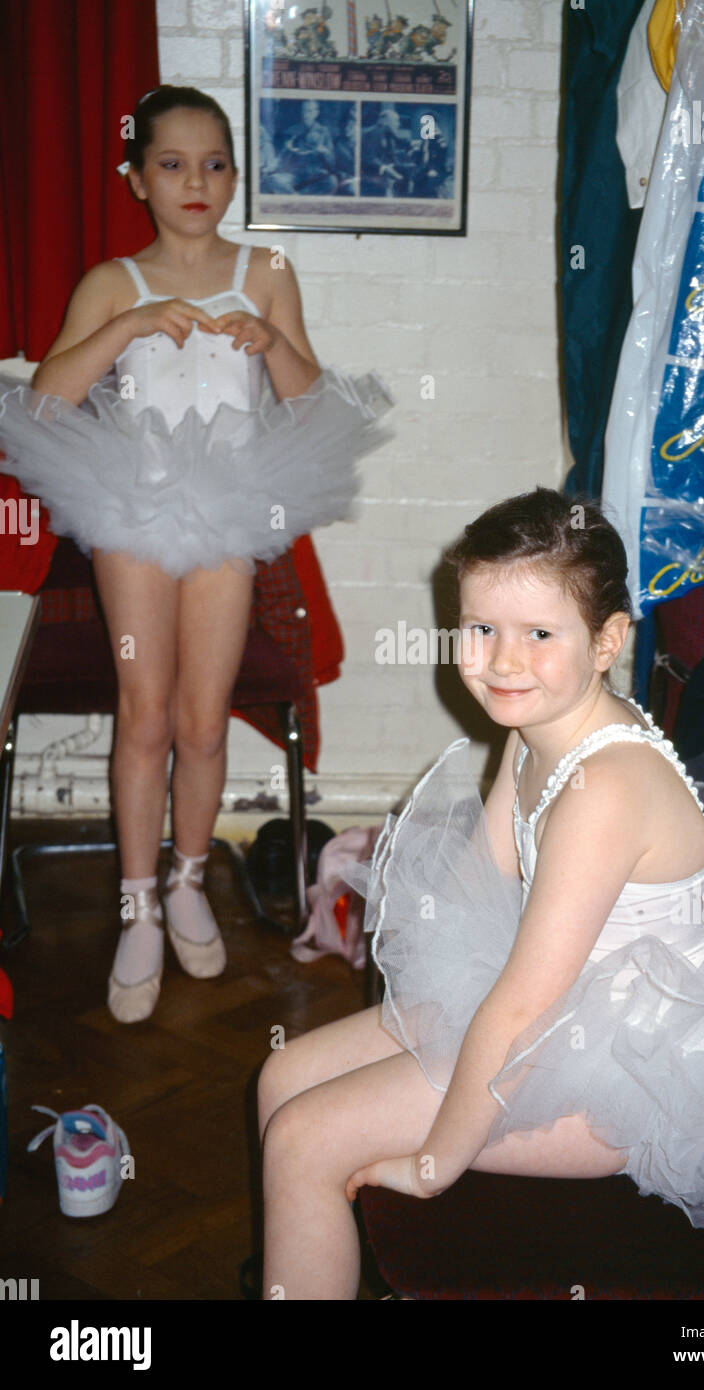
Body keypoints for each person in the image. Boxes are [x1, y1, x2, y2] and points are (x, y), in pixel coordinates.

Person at [257, 487, 704, 1300]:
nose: (503, 660)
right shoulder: (535, 728)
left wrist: (431, 1162)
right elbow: (478, 880)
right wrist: (422, 1011)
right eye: (481, 629)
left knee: (305, 1139)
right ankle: (301, 1256)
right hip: (551, 999)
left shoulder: (604, 787)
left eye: (539, 634)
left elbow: (520, 1014)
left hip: (625, 1073)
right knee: (280, 1080)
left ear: (607, 641)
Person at [0, 86, 390, 1025]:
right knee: (145, 715)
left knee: (202, 720)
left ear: (234, 178)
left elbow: (306, 398)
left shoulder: (265, 270)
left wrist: (269, 342)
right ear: (137, 178)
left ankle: (187, 880)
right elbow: (46, 397)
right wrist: (127, 327)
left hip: (228, 510)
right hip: (130, 508)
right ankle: (135, 904)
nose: (196, 182)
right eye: (172, 164)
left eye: (215, 164)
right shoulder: (110, 281)